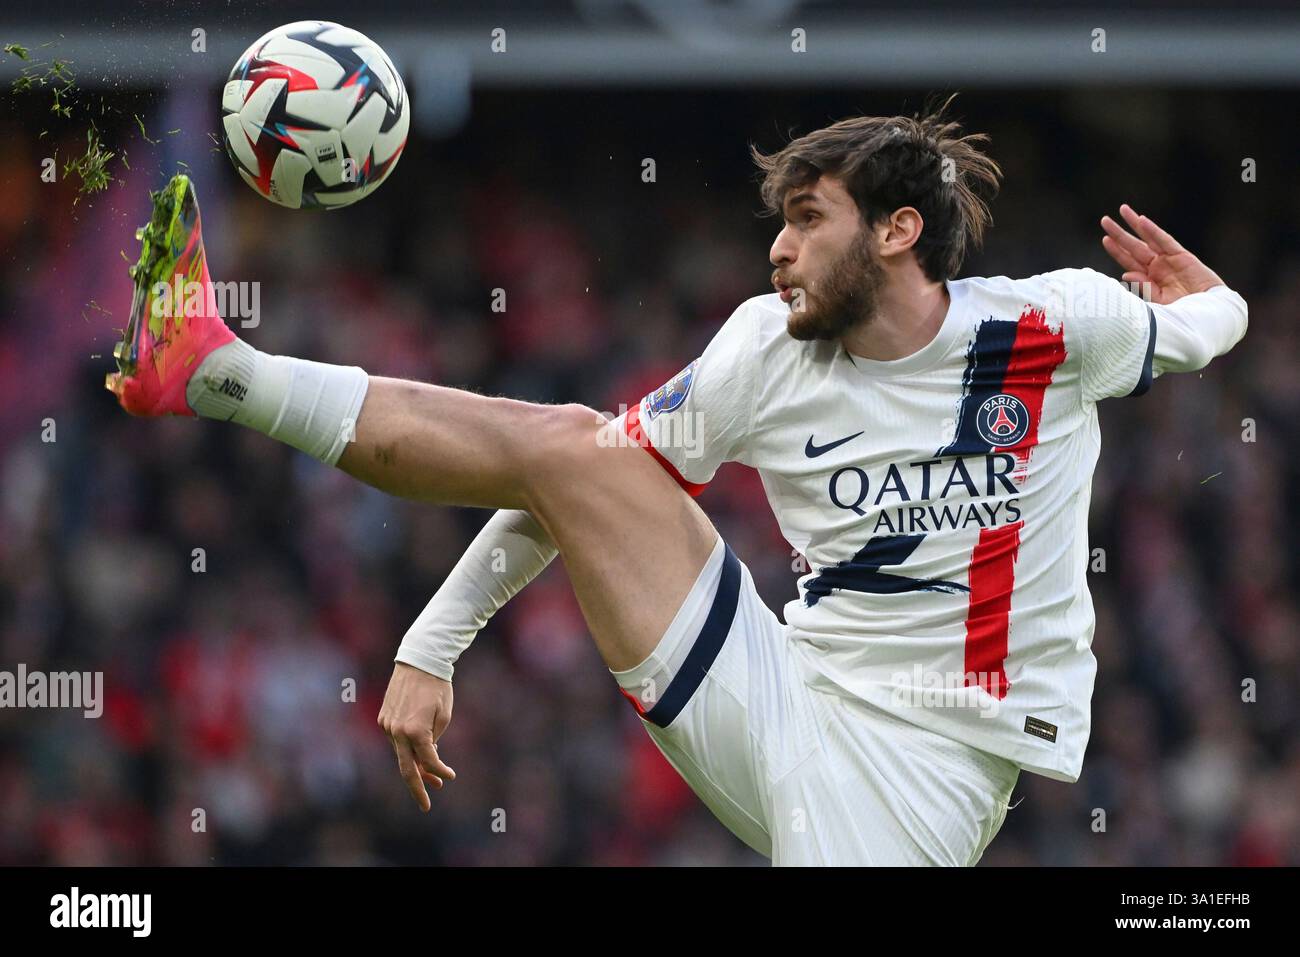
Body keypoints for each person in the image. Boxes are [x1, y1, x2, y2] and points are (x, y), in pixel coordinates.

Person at [107, 102, 1247, 865]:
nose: (778, 250)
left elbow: (1212, 320)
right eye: (778, 224)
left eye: (808, 220)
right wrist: (430, 645)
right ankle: (215, 367)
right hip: (785, 689)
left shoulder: (1051, 326)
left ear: (899, 231)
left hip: (936, 772)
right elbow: (563, 488)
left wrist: (1203, 291)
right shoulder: (766, 349)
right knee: (570, 441)